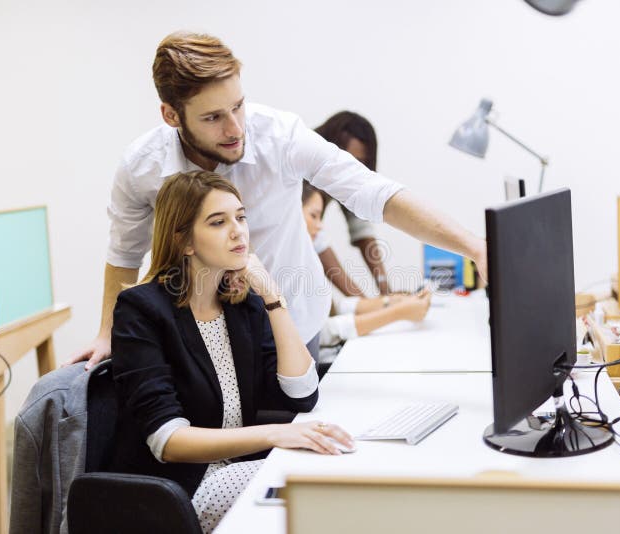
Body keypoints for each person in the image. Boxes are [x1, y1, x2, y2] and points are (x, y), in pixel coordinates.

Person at [67, 31, 487, 370]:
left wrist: (475, 248)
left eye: (238, 106)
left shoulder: (281, 136)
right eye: (213, 117)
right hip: (199, 337)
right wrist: (107, 333)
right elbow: (124, 254)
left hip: (292, 326)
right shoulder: (141, 167)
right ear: (171, 116)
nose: (235, 129)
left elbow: (374, 193)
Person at [109, 170, 353, 533]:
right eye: (218, 222)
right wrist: (273, 435)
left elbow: (301, 393)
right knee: (328, 489)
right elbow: (168, 440)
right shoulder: (141, 310)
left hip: (235, 469)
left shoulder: (241, 304)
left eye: (241, 217)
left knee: (335, 474)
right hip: (182, 490)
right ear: (185, 241)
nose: (238, 230)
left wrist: (273, 298)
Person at [301, 182, 431, 351]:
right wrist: (398, 312)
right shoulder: (287, 265)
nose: (320, 226)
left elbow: (333, 309)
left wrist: (389, 301)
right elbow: (323, 332)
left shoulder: (306, 255)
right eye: (314, 216)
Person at [313, 111, 391, 296]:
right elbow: (317, 243)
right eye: (348, 161)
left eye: (361, 163)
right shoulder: (303, 174)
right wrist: (370, 304)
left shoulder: (343, 179)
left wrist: (386, 291)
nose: (352, 170)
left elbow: (362, 228)